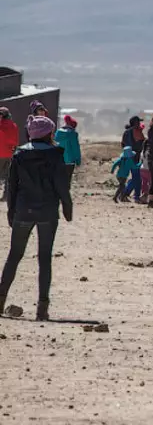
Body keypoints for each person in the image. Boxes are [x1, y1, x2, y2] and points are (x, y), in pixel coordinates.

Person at [0, 115, 72, 321]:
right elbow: (62, 186)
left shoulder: (19, 155)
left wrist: (11, 212)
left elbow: (11, 187)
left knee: (14, 256)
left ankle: (0, 299)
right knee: (45, 258)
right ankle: (42, 309)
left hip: (23, 210)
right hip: (47, 212)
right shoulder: (56, 156)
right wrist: (67, 208)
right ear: (49, 134)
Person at [121, 117, 146, 202]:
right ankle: (133, 196)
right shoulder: (135, 132)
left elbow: (123, 144)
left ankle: (126, 194)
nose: (139, 124)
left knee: (136, 177)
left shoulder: (127, 132)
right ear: (135, 123)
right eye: (138, 122)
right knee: (137, 178)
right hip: (134, 157)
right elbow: (140, 143)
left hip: (128, 157)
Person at [55, 115, 82, 187]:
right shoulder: (73, 134)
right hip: (69, 161)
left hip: (58, 160)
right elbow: (76, 149)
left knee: (59, 179)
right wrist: (78, 161)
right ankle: (65, 195)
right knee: (67, 181)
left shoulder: (58, 133)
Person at [0, 108, 18, 202]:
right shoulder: (14, 126)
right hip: (9, 153)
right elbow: (15, 140)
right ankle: (6, 195)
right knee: (8, 176)